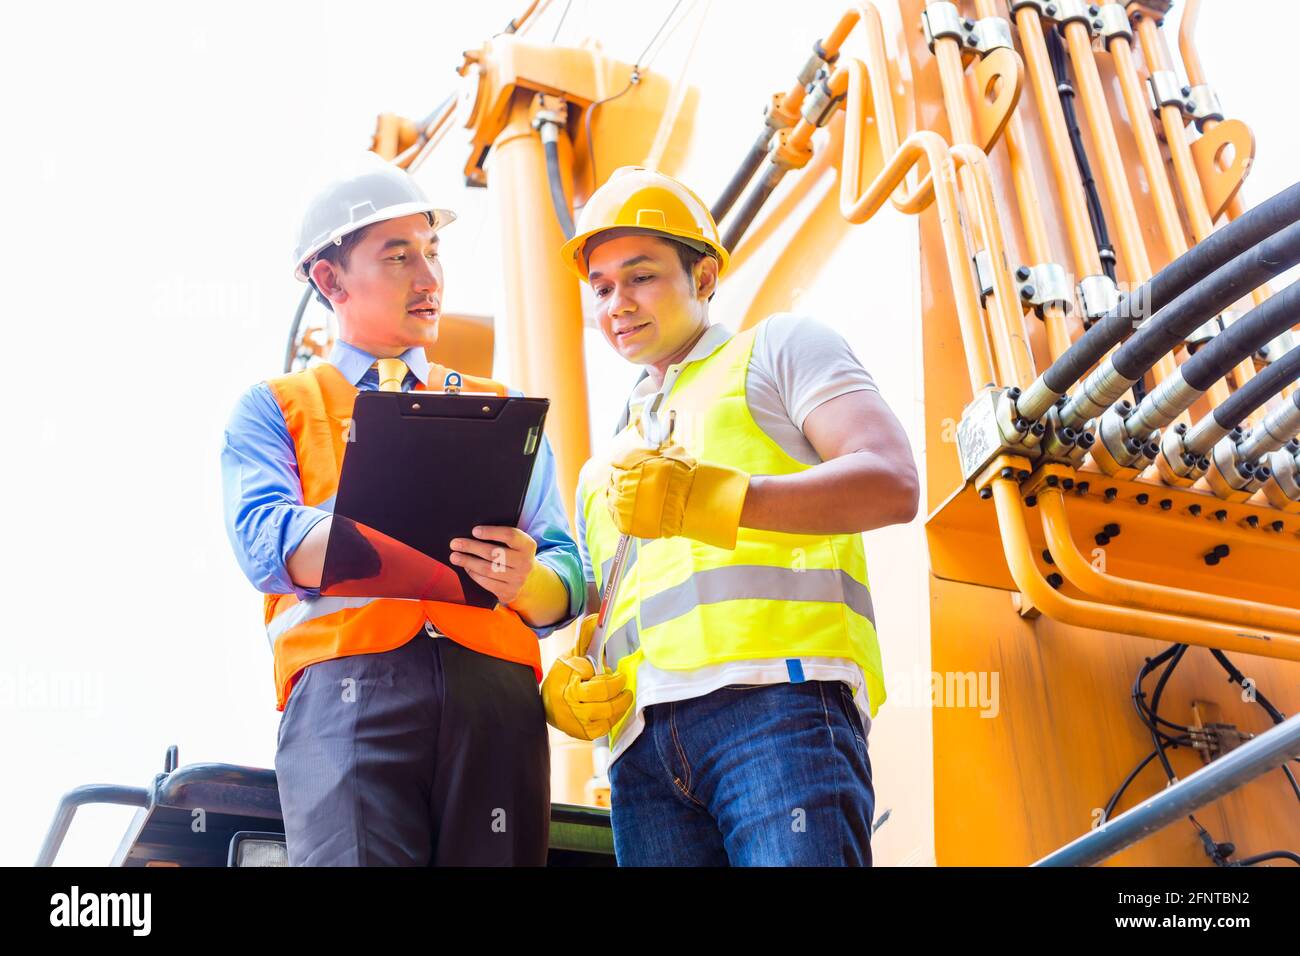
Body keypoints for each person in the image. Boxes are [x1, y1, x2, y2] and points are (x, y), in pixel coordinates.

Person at [541, 166, 919, 866]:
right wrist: (572, 676)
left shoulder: (776, 351)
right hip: (639, 756)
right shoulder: (602, 466)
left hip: (776, 708)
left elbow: (893, 481)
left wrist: (718, 500)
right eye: (601, 287)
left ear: (705, 275)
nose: (617, 302)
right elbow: (617, 601)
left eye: (641, 276)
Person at [220, 154, 583, 865]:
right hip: (346, 698)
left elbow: (568, 571)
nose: (429, 277)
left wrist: (527, 578)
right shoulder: (276, 408)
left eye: (433, 251)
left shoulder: (502, 406)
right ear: (330, 280)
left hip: (496, 698)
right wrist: (374, 517)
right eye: (397, 256)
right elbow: (265, 543)